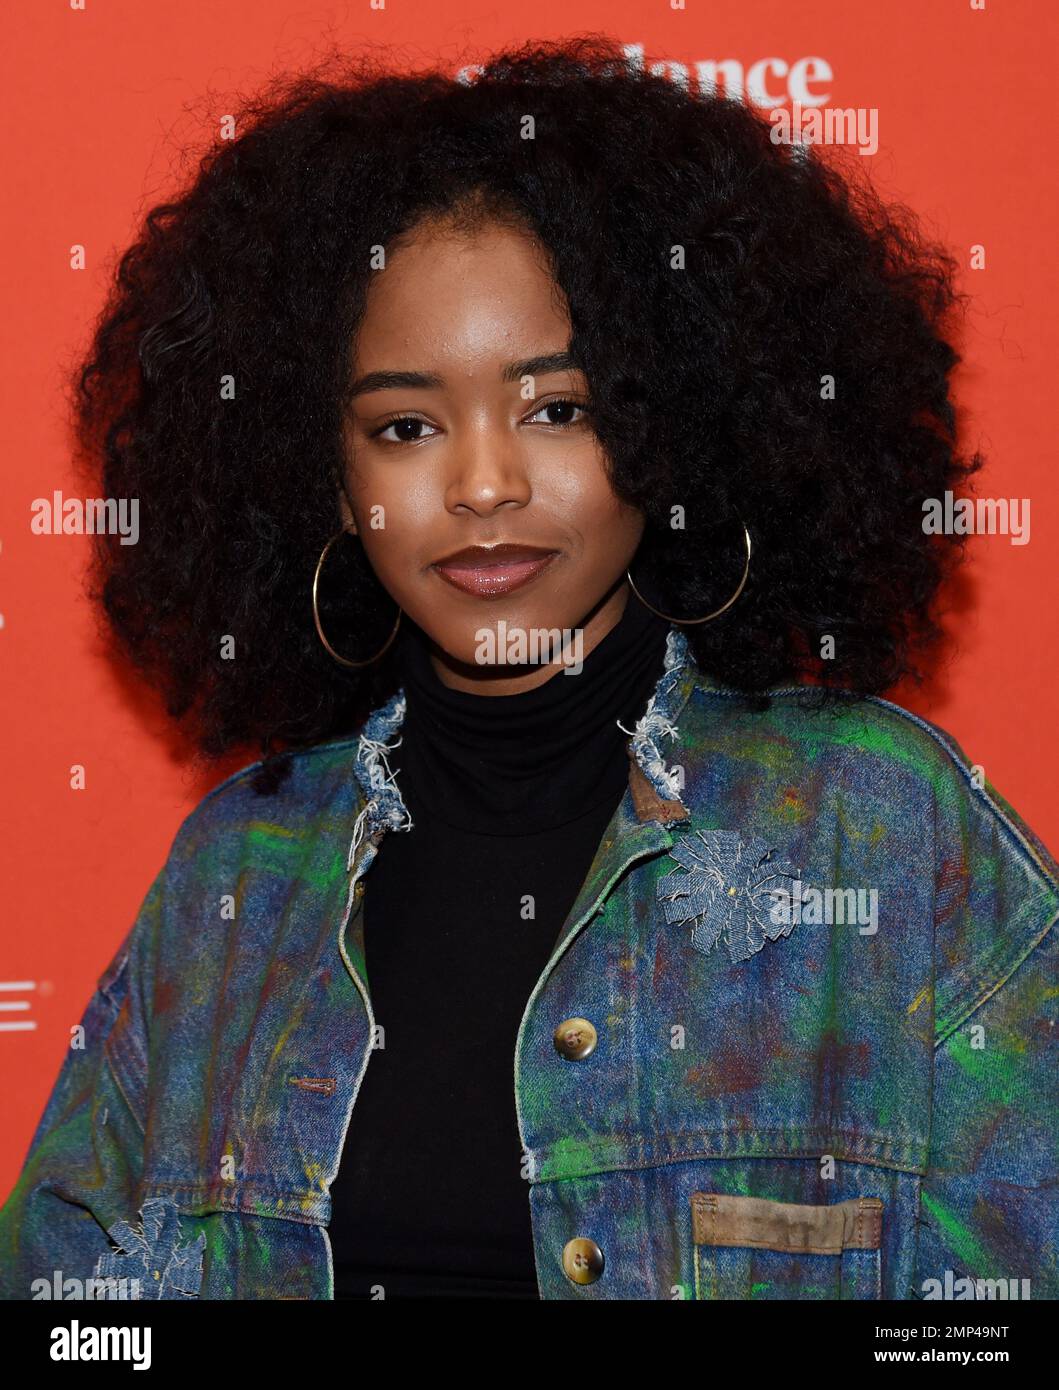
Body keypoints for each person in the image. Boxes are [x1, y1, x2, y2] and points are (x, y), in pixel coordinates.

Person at [2, 37, 1055, 1302]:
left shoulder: (879, 824)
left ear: (672, 427)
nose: (485, 484)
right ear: (326, 478)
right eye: (406, 425)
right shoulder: (238, 873)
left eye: (557, 408)